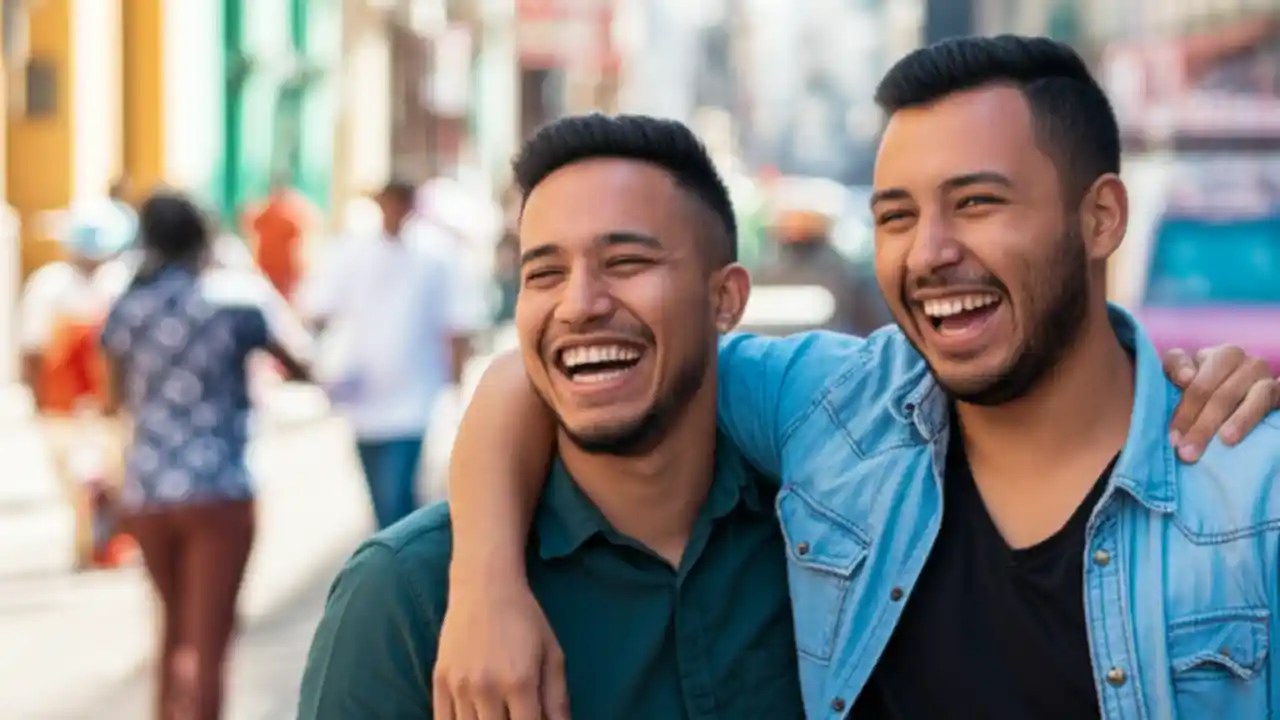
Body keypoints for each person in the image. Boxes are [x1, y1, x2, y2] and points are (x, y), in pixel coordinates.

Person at [430, 38, 1280, 719]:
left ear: (1100, 220)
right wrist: (484, 588)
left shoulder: (1254, 497)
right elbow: (544, 373)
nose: (930, 252)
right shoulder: (838, 408)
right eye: (896, 216)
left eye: (977, 203)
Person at [297, 114, 805, 719]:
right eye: (544, 273)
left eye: (625, 263)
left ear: (725, 299)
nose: (579, 305)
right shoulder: (408, 595)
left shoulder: (823, 538)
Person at [99, 192, 312, 720]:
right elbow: (301, 361)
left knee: (172, 631)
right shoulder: (238, 301)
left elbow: (111, 397)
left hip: (148, 488)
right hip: (220, 486)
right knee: (210, 637)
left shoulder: (127, 308)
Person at [298, 180, 478, 530]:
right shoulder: (352, 251)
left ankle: (402, 572)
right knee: (381, 499)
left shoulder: (436, 254)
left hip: (414, 395)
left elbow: (457, 325)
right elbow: (319, 309)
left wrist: (459, 390)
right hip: (364, 394)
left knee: (396, 496)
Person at [19, 198, 136, 413]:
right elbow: (32, 351)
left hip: (104, 409)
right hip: (59, 406)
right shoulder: (50, 283)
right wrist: (40, 404)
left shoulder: (117, 282)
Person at [751, 176, 891, 336]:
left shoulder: (843, 272)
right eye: (791, 218)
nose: (794, 226)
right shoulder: (767, 271)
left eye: (803, 218)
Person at [241, 178, 315, 302]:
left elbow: (299, 244)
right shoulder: (267, 215)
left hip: (283, 274)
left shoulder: (288, 218)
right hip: (269, 271)